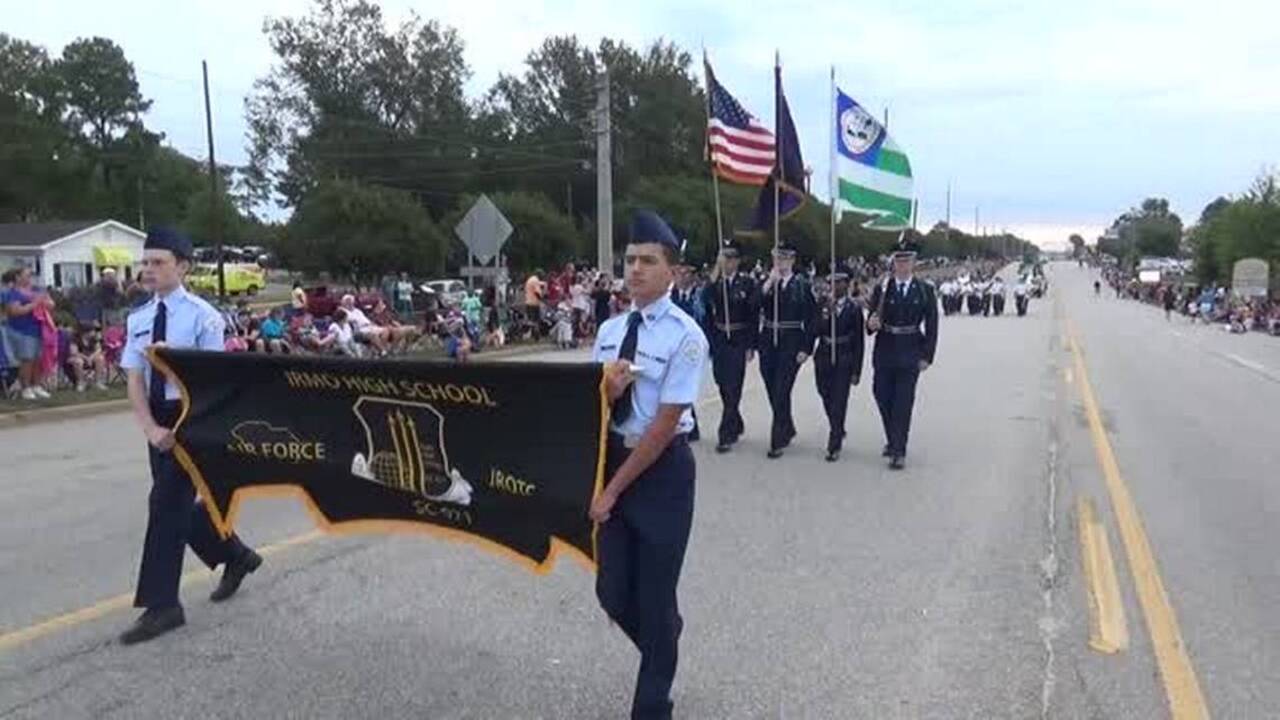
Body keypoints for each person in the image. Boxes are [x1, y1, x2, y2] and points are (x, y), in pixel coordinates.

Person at [117, 227, 262, 645]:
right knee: (175, 502)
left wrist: (172, 369)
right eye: (145, 262)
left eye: (158, 262)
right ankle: (235, 555)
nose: (149, 270)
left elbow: (210, 382)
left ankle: (163, 606)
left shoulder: (204, 317)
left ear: (183, 266)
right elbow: (133, 379)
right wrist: (149, 428)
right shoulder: (139, 318)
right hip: (157, 419)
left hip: (191, 417)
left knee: (164, 503)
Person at [591, 209, 708, 720]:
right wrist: (604, 393)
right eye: (630, 259)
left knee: (656, 596)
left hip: (661, 475)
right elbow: (586, 411)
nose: (635, 269)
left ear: (672, 272)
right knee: (613, 592)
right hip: (614, 459)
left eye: (647, 260)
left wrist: (612, 491)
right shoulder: (611, 330)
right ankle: (665, 643)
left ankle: (652, 705)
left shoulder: (687, 336)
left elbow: (663, 428)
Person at [866, 239, 939, 470]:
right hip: (885, 347)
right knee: (881, 394)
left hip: (910, 349)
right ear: (893, 262)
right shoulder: (883, 288)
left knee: (903, 401)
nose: (902, 264)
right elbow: (870, 323)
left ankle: (898, 450)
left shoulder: (924, 290)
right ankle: (893, 436)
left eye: (907, 260)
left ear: (913, 262)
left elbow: (932, 324)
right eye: (898, 260)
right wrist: (871, 323)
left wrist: (927, 354)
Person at [701, 238, 759, 454]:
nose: (727, 262)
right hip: (719, 339)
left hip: (738, 338)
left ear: (738, 261)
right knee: (722, 383)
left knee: (734, 386)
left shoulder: (747, 283)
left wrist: (751, 344)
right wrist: (715, 271)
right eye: (724, 258)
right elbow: (704, 302)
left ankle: (725, 434)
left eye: (731, 258)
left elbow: (753, 314)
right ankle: (736, 420)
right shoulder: (716, 284)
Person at [758, 240, 814, 459]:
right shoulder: (768, 282)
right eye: (776, 258)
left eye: (784, 258)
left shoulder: (801, 284)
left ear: (792, 260)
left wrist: (806, 347)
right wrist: (767, 284)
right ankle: (787, 425)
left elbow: (811, 317)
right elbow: (754, 306)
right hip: (768, 341)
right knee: (772, 388)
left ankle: (777, 438)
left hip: (791, 341)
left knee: (782, 389)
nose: (779, 262)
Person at [808, 269, 865, 462]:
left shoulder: (854, 308)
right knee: (825, 393)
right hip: (824, 353)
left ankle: (834, 442)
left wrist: (857, 370)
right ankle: (838, 426)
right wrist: (826, 315)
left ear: (847, 285)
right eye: (832, 282)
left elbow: (859, 341)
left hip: (844, 356)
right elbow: (813, 329)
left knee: (839, 399)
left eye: (839, 282)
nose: (835, 286)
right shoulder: (822, 304)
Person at [1, 267, 53, 400]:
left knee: (37, 359)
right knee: (27, 359)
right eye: (27, 275)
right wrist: (34, 304)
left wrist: (46, 302)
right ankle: (26, 387)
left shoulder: (36, 290)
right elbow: (15, 311)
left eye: (31, 275)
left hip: (38, 330)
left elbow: (51, 304)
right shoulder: (12, 293)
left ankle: (36, 385)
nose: (30, 278)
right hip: (21, 331)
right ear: (17, 277)